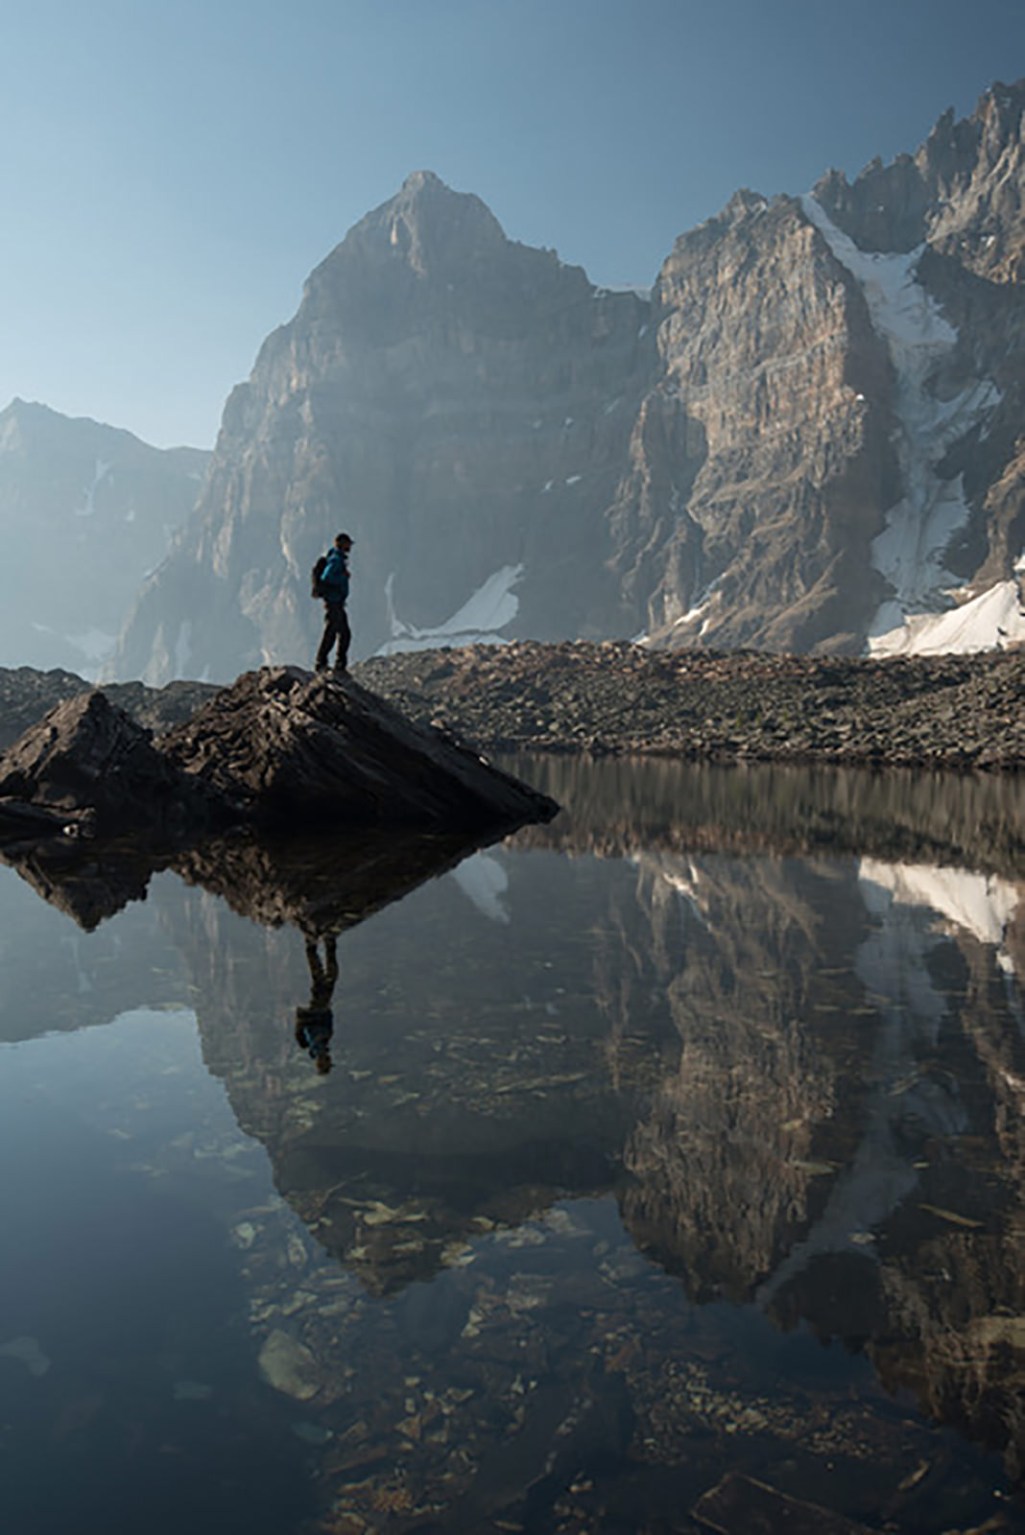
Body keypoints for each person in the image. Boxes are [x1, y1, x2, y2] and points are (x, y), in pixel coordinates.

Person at [294, 934, 338, 1075]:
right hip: (321, 1006)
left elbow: (313, 1026)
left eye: (327, 1062)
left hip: (319, 1006)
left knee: (327, 976)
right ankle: (319, 944)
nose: (329, 1059)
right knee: (323, 976)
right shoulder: (322, 1044)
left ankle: (320, 944)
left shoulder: (317, 1044)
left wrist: (324, 1011)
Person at [315, 532, 353, 673]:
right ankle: (323, 663)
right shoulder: (336, 560)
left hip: (336, 603)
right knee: (333, 633)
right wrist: (343, 577)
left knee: (342, 633)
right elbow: (327, 577)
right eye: (348, 544)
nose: (350, 547)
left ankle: (336, 663)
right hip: (334, 603)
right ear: (342, 544)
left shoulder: (336, 558)